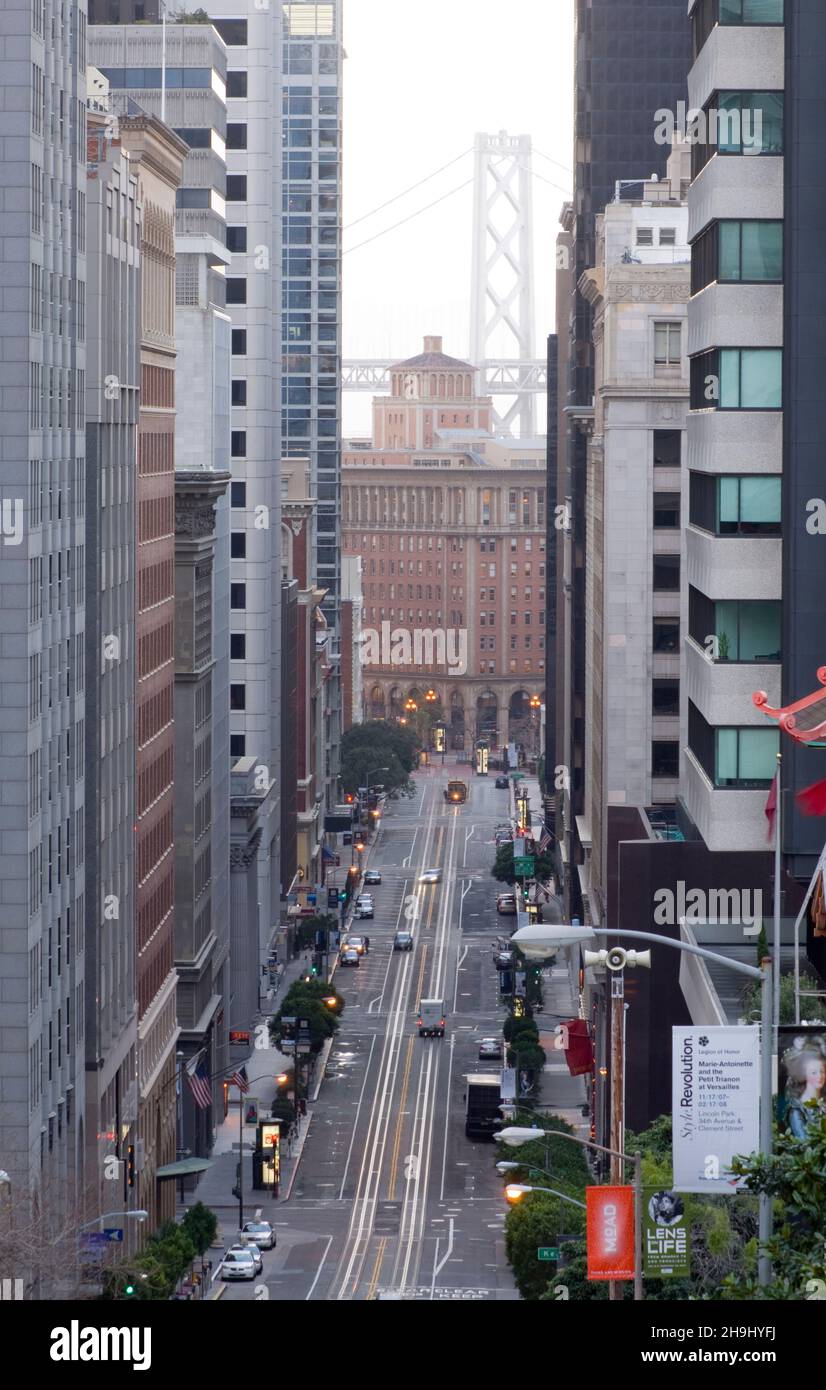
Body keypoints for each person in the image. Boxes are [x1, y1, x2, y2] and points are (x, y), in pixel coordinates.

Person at [782, 1036, 826, 1139]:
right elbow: (804, 1143)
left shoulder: (823, 1103)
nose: (819, 1076)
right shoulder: (796, 1111)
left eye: (822, 1071)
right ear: (803, 1074)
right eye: (813, 1072)